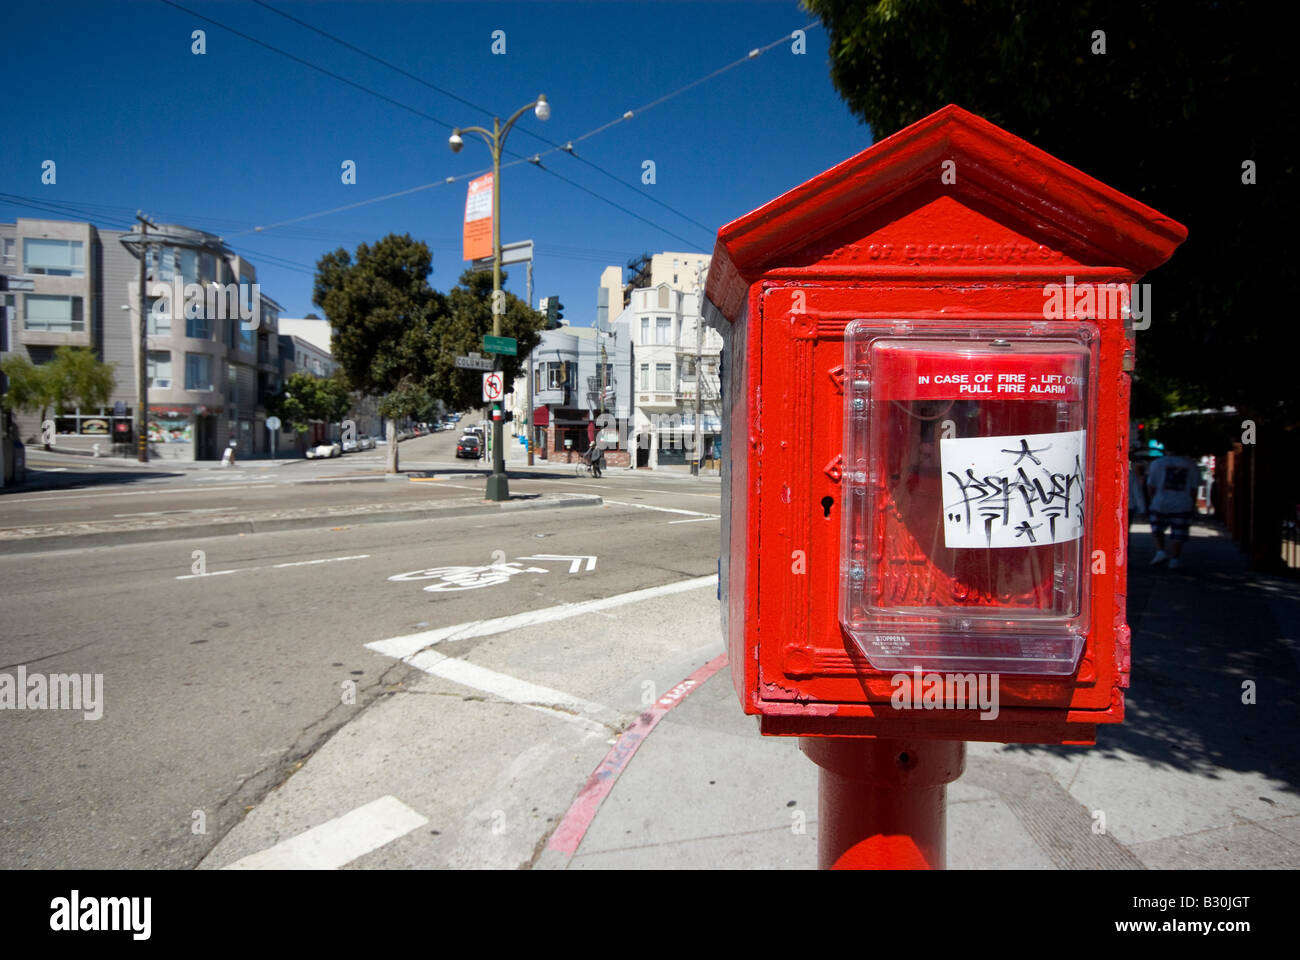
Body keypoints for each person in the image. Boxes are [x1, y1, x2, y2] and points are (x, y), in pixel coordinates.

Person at [1146, 447, 1200, 569]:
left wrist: (1153, 499)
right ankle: (1175, 559)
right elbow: (1194, 488)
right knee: (1178, 533)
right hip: (1183, 503)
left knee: (1157, 529)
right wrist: (1192, 504)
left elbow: (1151, 485)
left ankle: (1160, 551)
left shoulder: (1157, 463)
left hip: (1160, 502)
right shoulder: (1191, 464)